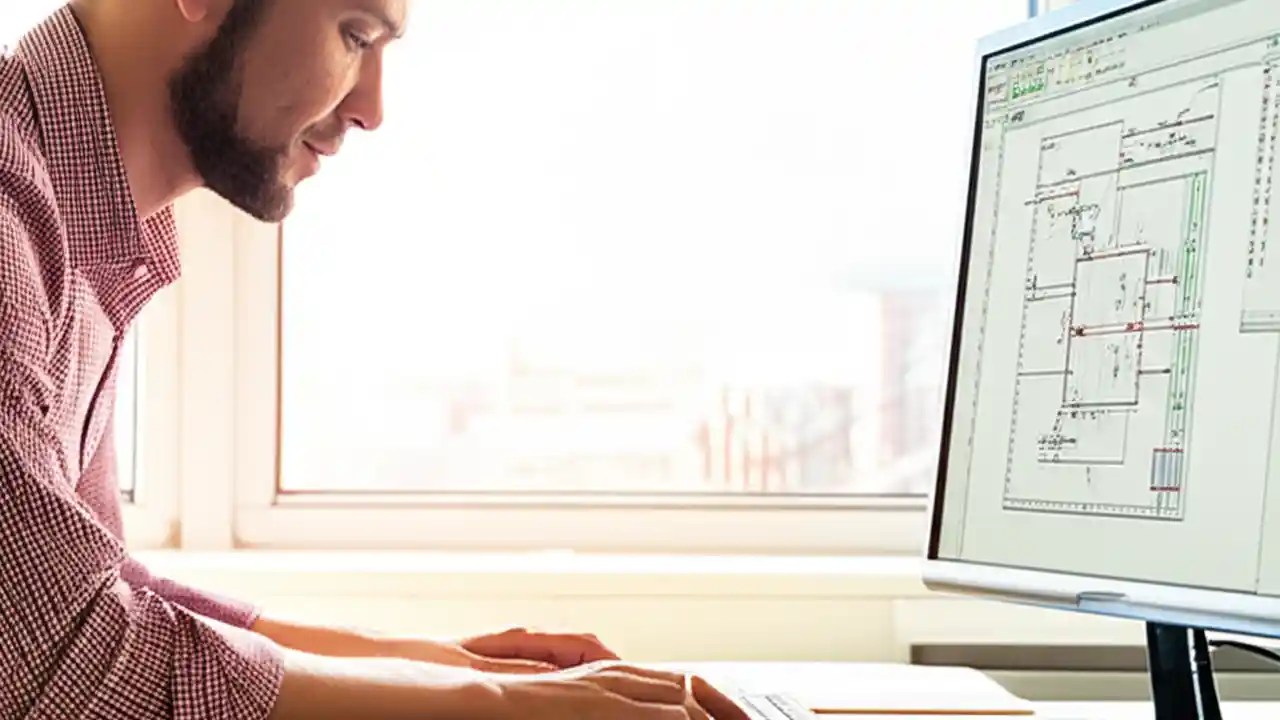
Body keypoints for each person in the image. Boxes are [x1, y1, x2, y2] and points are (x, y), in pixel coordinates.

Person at [0, 1, 752, 718]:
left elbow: (85, 591)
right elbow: (58, 658)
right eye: (355, 35)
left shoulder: (78, 223)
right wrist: (495, 707)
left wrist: (437, 668)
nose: (372, 108)